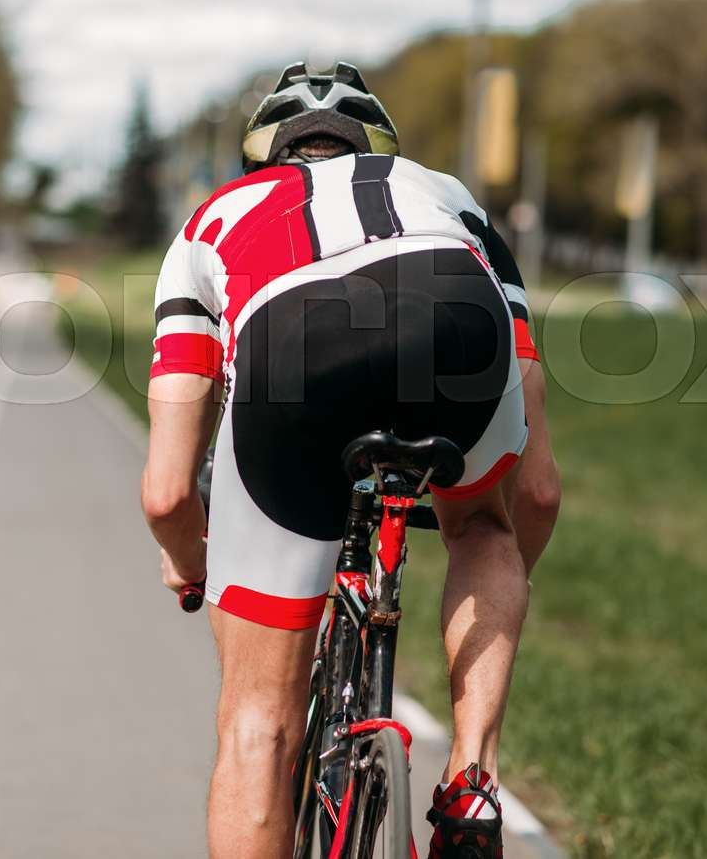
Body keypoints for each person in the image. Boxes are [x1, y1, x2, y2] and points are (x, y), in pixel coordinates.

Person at [139, 62, 561, 859]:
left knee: (257, 725)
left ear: (262, 157)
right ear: (379, 149)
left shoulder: (210, 220)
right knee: (482, 526)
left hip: (288, 347)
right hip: (452, 306)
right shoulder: (445, 193)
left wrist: (191, 567)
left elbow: (166, 492)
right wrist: (495, 557)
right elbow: (536, 488)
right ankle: (471, 775)